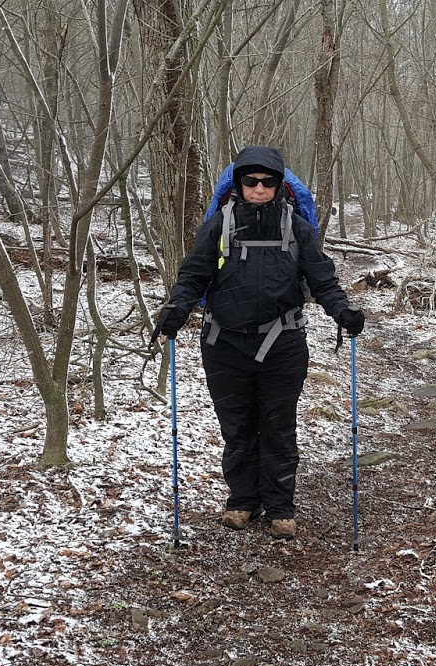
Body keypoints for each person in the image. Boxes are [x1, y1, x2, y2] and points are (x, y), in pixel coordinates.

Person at [152, 146, 364, 540]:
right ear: (239, 185)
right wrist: (177, 309)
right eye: (251, 181)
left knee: (278, 426)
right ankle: (242, 501)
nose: (259, 188)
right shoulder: (219, 225)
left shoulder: (297, 228)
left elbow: (323, 280)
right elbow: (193, 276)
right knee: (237, 427)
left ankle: (280, 506)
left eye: (268, 182)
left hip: (283, 342)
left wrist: (343, 312)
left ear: (279, 185)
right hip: (224, 344)